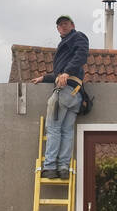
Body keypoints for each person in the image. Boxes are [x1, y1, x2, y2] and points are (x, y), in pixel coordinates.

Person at [29, 14, 89, 180]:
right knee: (66, 130)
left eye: (65, 23)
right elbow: (59, 73)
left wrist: (66, 72)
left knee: (54, 129)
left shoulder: (77, 36)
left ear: (72, 25)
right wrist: (44, 78)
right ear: (57, 29)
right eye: (60, 25)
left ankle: (49, 167)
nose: (62, 26)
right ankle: (63, 167)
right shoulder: (65, 43)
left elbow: (81, 56)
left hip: (64, 91)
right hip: (75, 93)